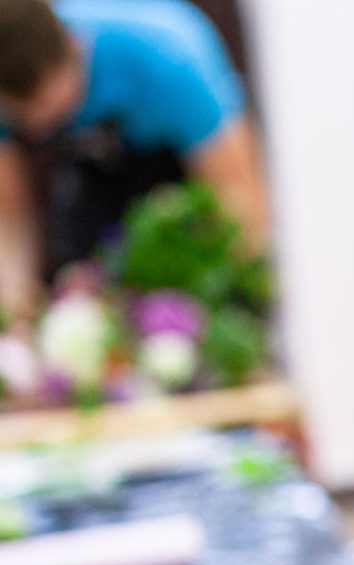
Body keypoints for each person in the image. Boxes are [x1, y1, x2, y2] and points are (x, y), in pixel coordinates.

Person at [0, 0, 268, 332]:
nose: (40, 125)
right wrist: (17, 313)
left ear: (76, 47)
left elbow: (241, 206)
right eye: (25, 116)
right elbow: (10, 214)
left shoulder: (167, 56)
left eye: (50, 105)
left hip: (176, 179)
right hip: (86, 192)